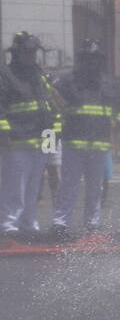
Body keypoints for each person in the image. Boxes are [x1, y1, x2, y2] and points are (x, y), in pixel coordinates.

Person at [50, 40, 120, 241]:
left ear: (99, 61)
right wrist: (57, 127)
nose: (90, 64)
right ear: (81, 60)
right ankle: (60, 224)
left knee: (95, 187)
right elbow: (50, 100)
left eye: (94, 60)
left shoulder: (110, 84)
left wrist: (118, 121)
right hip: (74, 143)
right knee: (68, 185)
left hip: (99, 144)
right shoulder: (67, 81)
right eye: (87, 60)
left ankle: (92, 225)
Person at [0, 32, 61, 240]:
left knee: (35, 183)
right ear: (16, 54)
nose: (31, 56)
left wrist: (53, 138)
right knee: (15, 184)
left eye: (33, 52)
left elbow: (50, 104)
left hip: (43, 136)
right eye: (27, 52)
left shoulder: (38, 74)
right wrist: (4, 132)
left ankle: (29, 223)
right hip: (17, 138)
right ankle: (10, 224)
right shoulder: (6, 75)